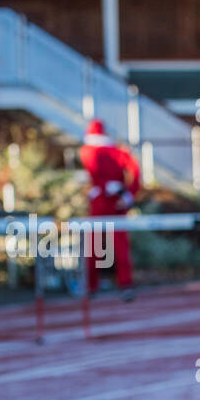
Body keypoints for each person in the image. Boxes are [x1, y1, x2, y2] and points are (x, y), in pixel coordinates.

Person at [78, 119, 140, 301]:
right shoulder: (116, 152)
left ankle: (94, 286)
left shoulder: (87, 151)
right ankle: (123, 284)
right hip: (112, 202)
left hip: (104, 202)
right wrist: (128, 195)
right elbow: (135, 171)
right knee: (114, 246)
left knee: (98, 246)